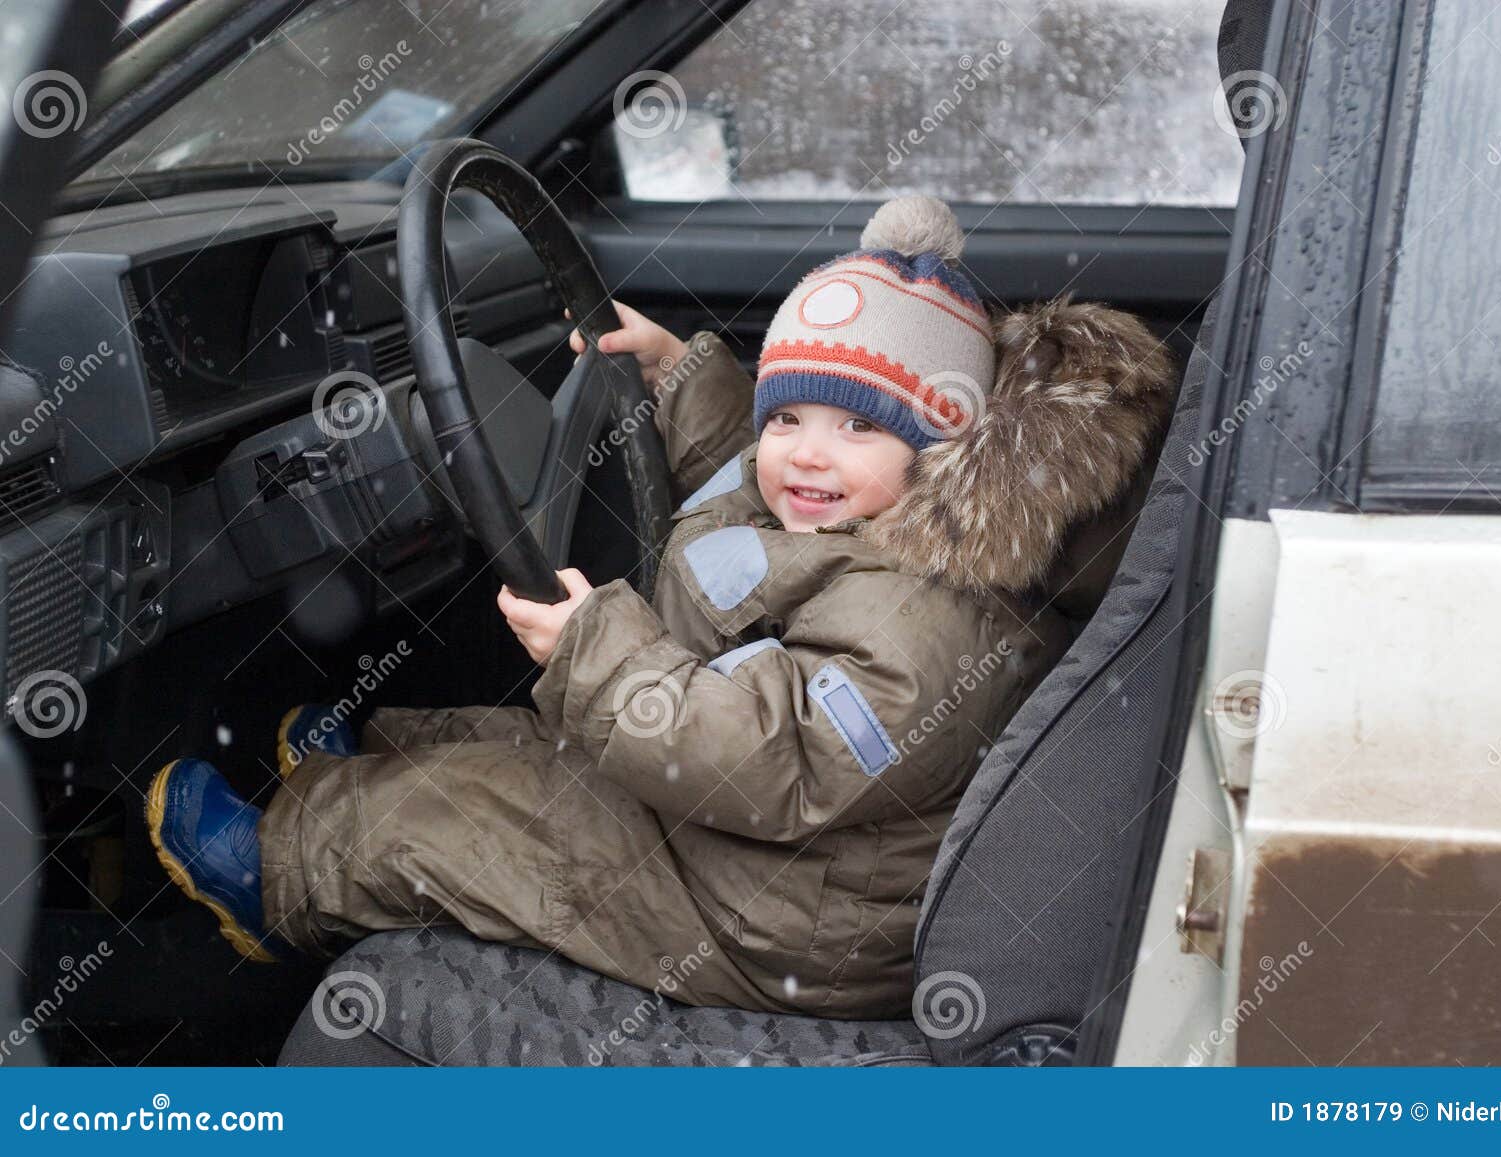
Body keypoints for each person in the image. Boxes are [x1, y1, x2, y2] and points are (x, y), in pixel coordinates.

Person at [144, 194, 1174, 1018]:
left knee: (474, 815)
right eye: (792, 415)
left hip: (773, 912)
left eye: (857, 428)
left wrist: (599, 645)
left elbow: (772, 758)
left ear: (943, 454)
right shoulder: (838, 506)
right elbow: (739, 477)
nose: (807, 452)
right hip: (754, 847)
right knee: (512, 742)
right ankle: (343, 769)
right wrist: (677, 371)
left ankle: (278, 877)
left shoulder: (930, 624)